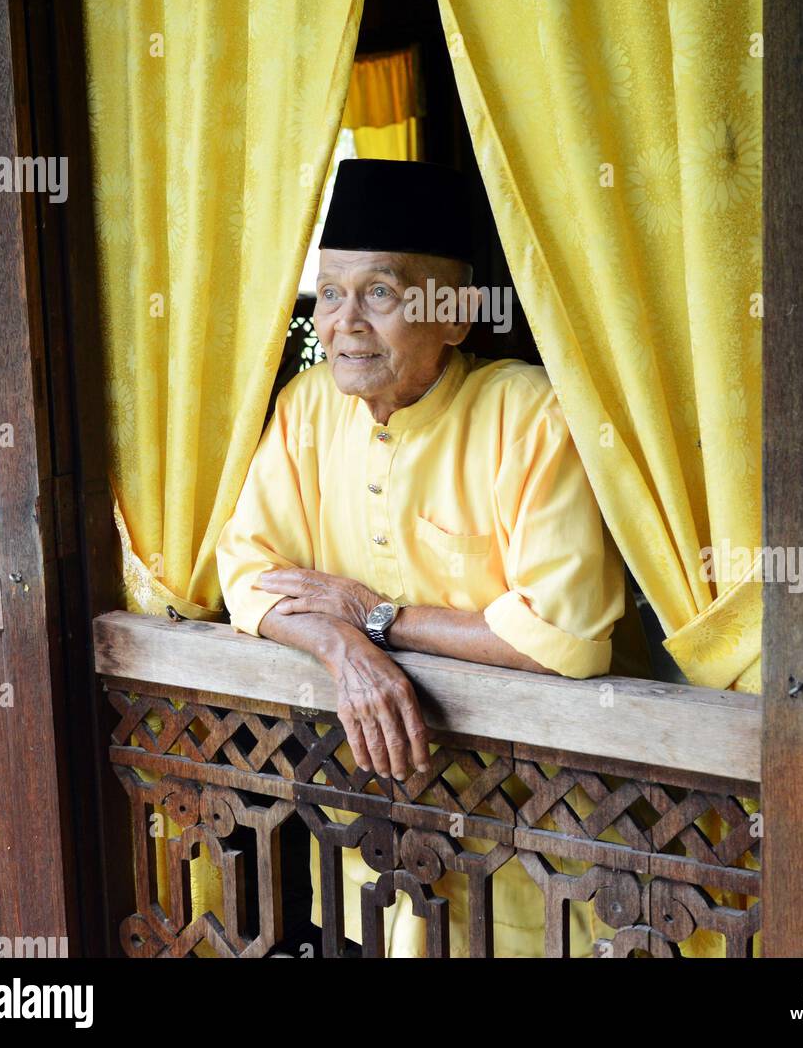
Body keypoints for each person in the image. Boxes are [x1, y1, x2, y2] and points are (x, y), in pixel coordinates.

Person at [216, 158, 649, 956]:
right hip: (371, 834)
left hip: (535, 833)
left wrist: (375, 618)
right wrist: (342, 647)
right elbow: (245, 574)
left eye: (379, 293)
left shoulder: (531, 415)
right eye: (331, 292)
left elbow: (560, 637)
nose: (343, 321)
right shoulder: (307, 407)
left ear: (454, 316)